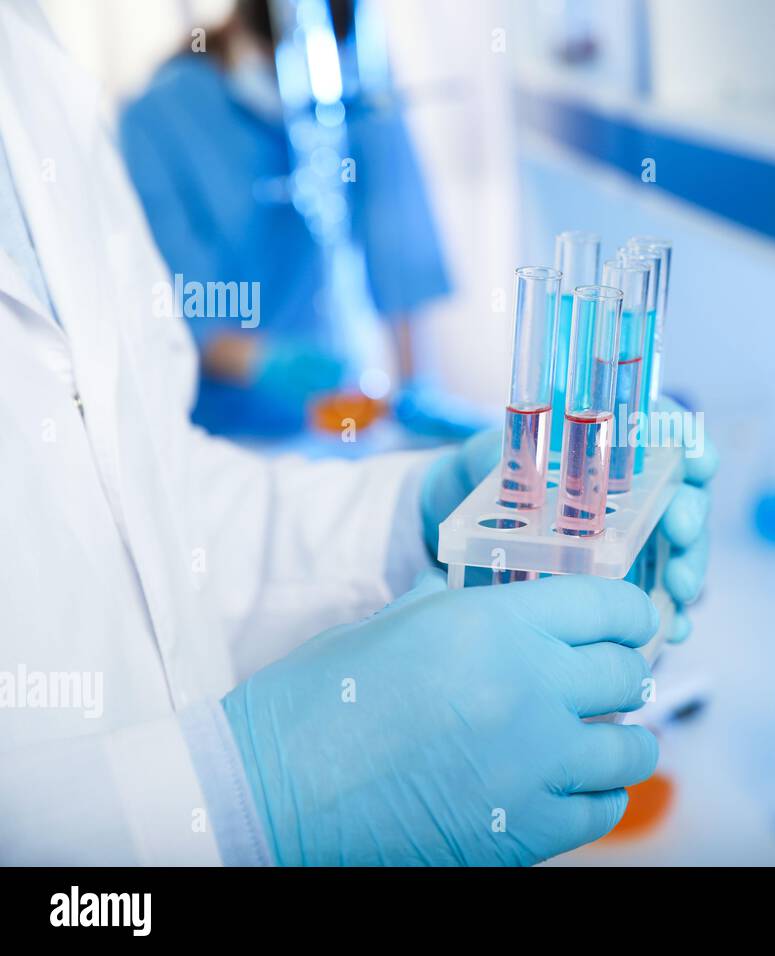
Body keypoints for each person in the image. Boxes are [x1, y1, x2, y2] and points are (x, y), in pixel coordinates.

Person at [0, 0, 715, 865]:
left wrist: (412, 518)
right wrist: (259, 796)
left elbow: (149, 508)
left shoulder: (31, 66)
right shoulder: (163, 113)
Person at [119, 0, 474, 438]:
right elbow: (170, 294)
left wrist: (414, 390)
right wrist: (264, 362)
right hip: (216, 426)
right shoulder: (158, 119)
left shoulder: (353, 90)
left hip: (325, 417)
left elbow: (395, 231)